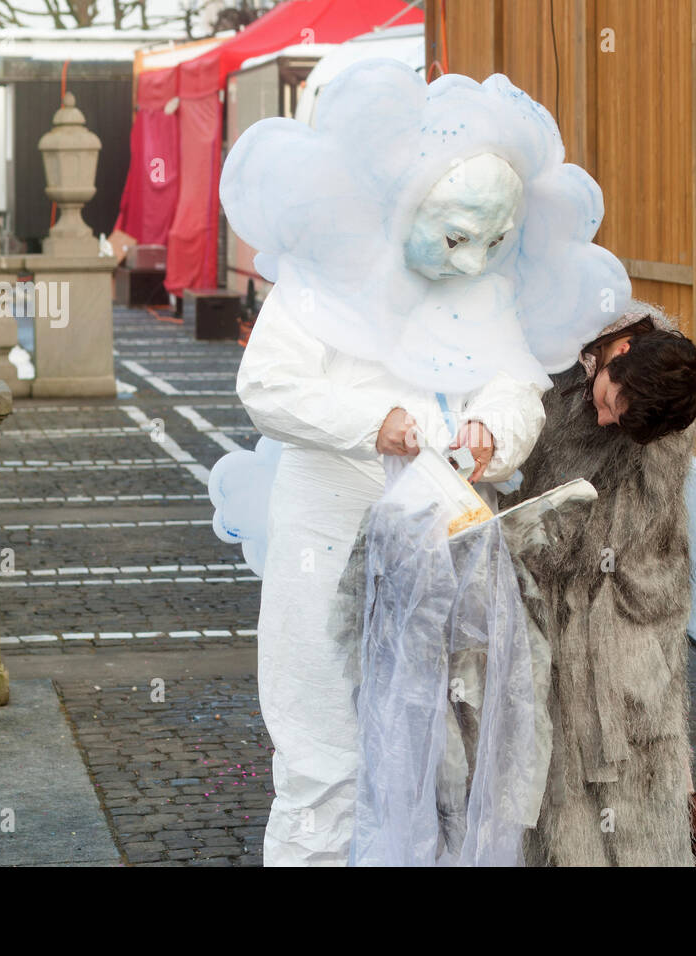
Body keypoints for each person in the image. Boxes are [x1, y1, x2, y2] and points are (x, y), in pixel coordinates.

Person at [214, 60, 629, 866]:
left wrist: (489, 435)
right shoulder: (324, 281)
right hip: (325, 538)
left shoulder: (484, 289)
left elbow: (516, 388)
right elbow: (265, 386)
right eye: (453, 238)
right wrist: (377, 421)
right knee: (321, 746)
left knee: (434, 754)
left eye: (494, 242)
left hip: (437, 554)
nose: (473, 261)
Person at [506, 299, 696, 867]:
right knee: (552, 762)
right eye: (604, 405)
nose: (601, 422)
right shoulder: (560, 327)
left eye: (614, 421)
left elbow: (636, 529)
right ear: (617, 352)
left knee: (636, 750)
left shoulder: (664, 407)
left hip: (624, 604)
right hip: (551, 591)